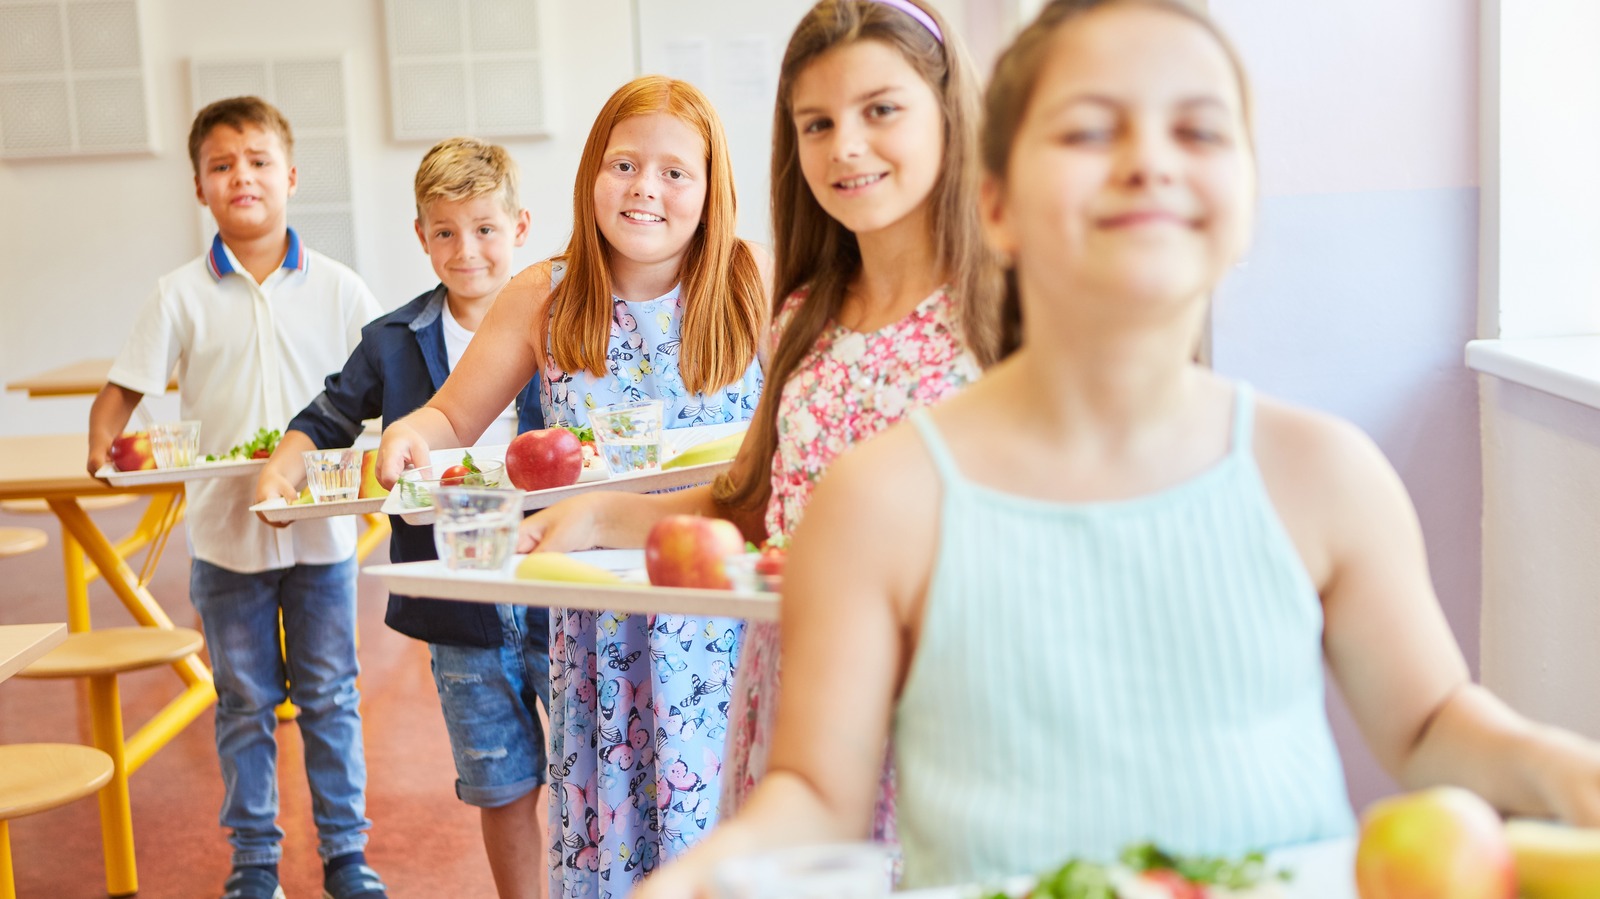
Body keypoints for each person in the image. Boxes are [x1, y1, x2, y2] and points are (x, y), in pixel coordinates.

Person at [634, 0, 1600, 893]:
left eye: (1198, 129)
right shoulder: (880, 500)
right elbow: (814, 787)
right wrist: (697, 875)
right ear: (997, 200)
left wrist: (1565, 767)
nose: (1148, 159)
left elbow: (1430, 721)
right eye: (1091, 129)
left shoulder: (1325, 474)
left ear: (1248, 194)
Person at [516, 0, 998, 851]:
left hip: (954, 711)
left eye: (880, 109)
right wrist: (596, 517)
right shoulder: (805, 317)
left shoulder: (1001, 314)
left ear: (948, 113)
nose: (845, 144)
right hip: (799, 712)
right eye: (816, 122)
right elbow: (750, 505)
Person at [375, 76, 767, 897]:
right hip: (599, 630)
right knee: (610, 837)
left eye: (673, 171)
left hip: (729, 621)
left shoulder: (750, 279)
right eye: (623, 165)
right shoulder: (543, 295)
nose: (645, 189)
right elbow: (449, 417)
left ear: (712, 185)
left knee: (731, 835)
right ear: (592, 172)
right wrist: (409, 435)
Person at [86, 96, 388, 899]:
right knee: (244, 704)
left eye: (257, 162)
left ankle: (346, 857)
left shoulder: (339, 286)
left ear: (290, 176)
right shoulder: (179, 293)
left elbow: (393, 383)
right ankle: (254, 862)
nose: (241, 177)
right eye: (222, 166)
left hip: (321, 541)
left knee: (329, 697)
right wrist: (102, 441)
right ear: (199, 188)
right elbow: (125, 388)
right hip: (224, 541)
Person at [254, 136, 551, 899]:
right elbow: (325, 417)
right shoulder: (392, 340)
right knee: (500, 783)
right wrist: (281, 471)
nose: (467, 250)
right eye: (445, 231)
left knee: (592, 766)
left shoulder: (567, 322)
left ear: (521, 226)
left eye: (486, 228)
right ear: (421, 237)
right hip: (455, 600)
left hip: (563, 583)